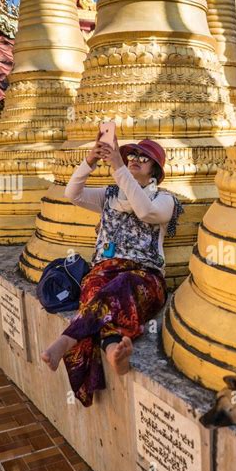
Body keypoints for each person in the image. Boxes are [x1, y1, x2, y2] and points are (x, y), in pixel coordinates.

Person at [40, 133, 183, 407]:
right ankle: (114, 351)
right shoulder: (109, 195)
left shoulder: (165, 200)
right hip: (104, 271)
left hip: (144, 277)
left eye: (144, 158)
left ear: (155, 170)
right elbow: (72, 193)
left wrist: (118, 166)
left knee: (121, 284)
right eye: (132, 156)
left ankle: (67, 340)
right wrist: (90, 160)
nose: (135, 160)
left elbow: (145, 212)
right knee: (96, 288)